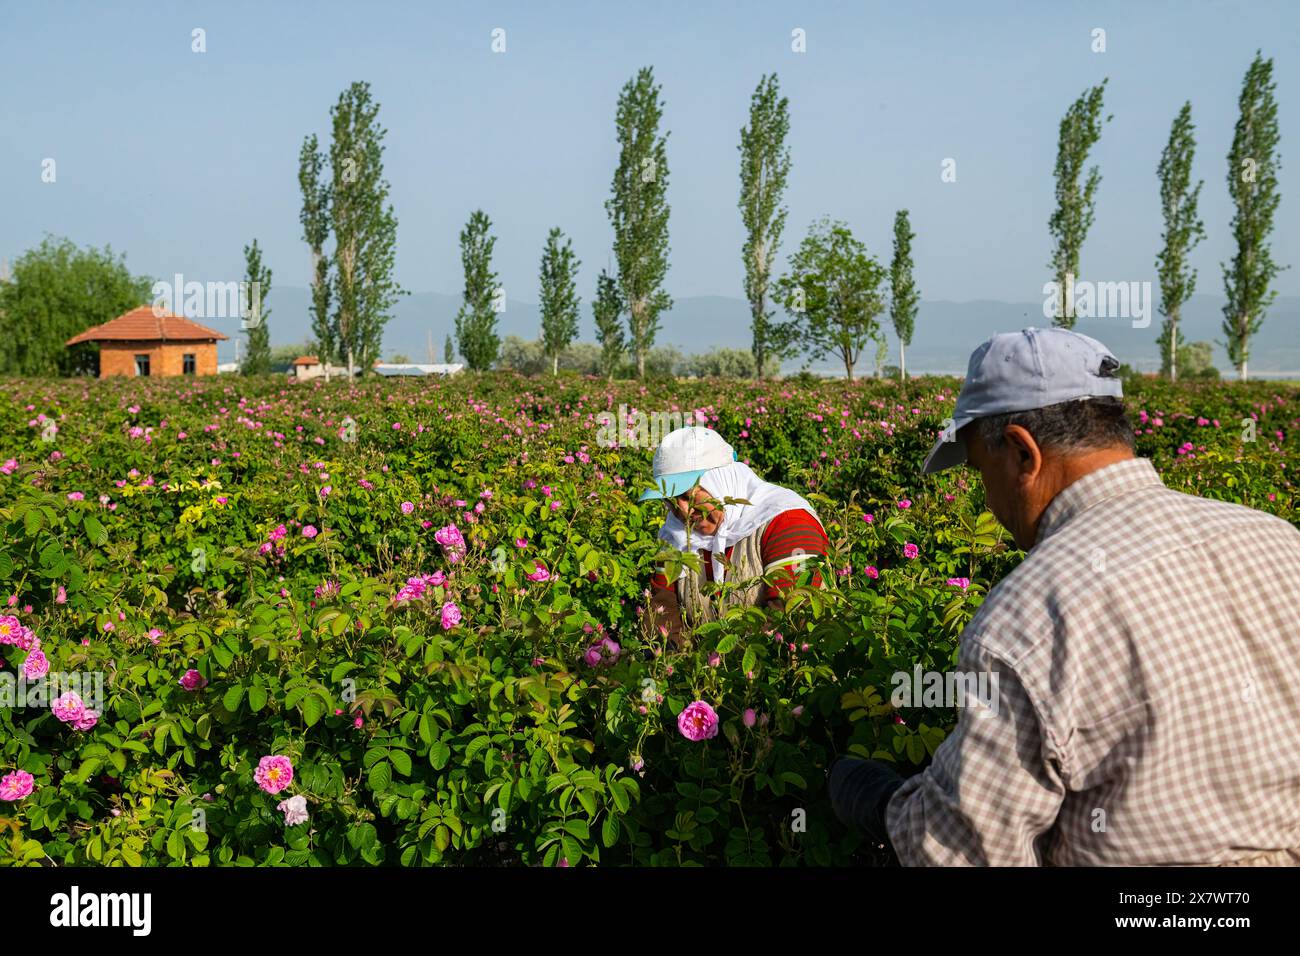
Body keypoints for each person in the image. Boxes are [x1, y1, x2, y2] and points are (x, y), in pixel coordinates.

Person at [829, 327, 1300, 866]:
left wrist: (888, 805)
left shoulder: (1027, 619)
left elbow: (968, 855)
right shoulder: (1275, 539)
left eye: (983, 471)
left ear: (1022, 453)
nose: (988, 502)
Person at [638, 426, 829, 647]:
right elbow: (662, 609)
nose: (682, 510)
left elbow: (792, 612)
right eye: (670, 499)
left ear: (720, 482)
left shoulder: (787, 521)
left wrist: (736, 670)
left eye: (687, 495)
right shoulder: (676, 535)